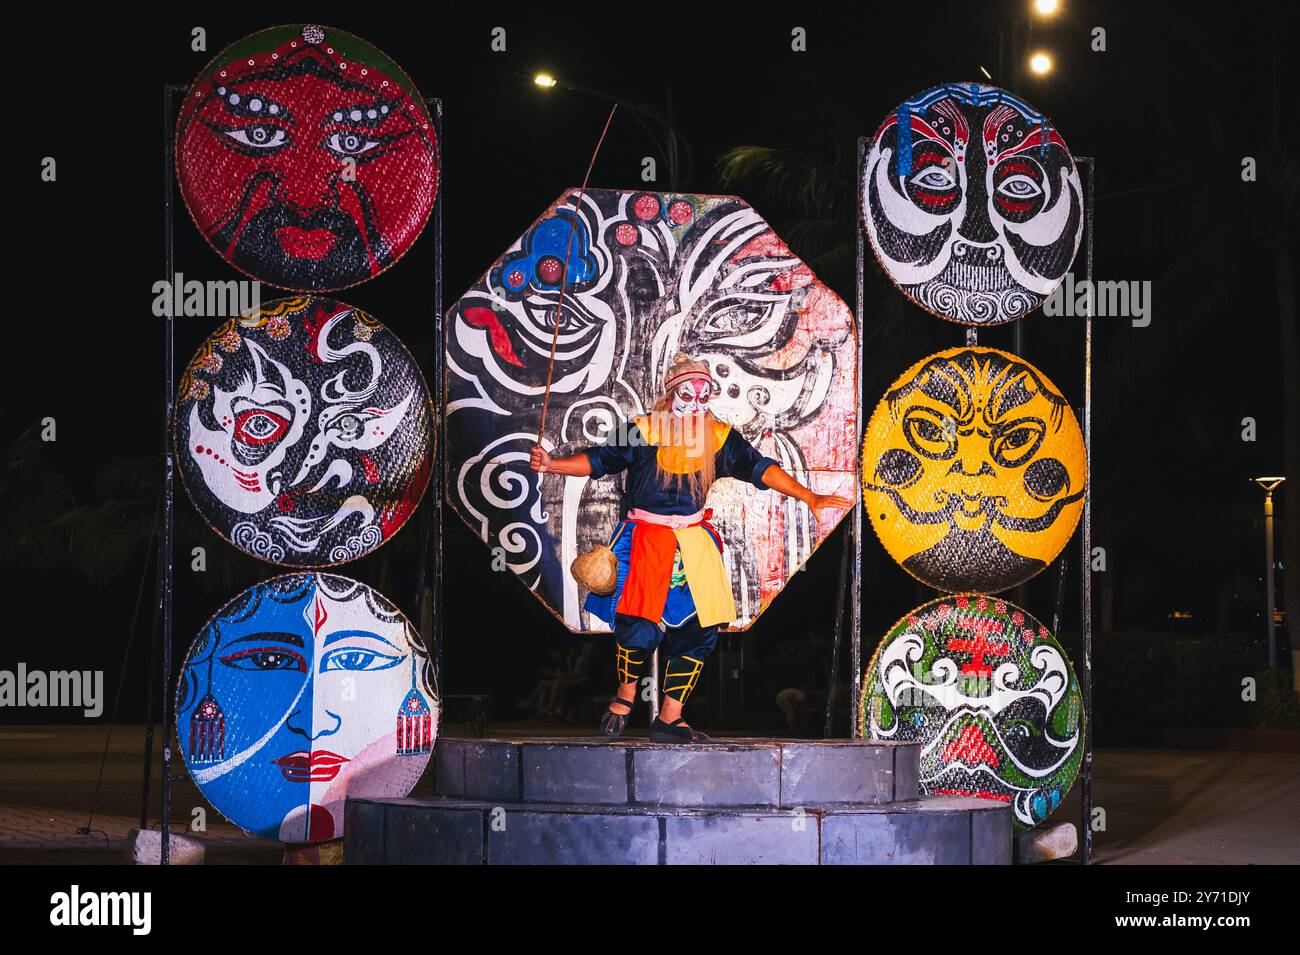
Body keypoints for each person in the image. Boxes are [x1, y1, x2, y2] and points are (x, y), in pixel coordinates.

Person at [529, 353, 850, 743]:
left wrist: (808, 496)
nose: (695, 403)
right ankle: (627, 695)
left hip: (694, 544)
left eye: (703, 396)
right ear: (670, 395)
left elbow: (760, 468)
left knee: (700, 630)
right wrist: (552, 465)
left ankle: (669, 717)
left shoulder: (717, 436)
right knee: (638, 626)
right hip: (647, 538)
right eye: (687, 394)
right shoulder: (645, 429)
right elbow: (600, 460)